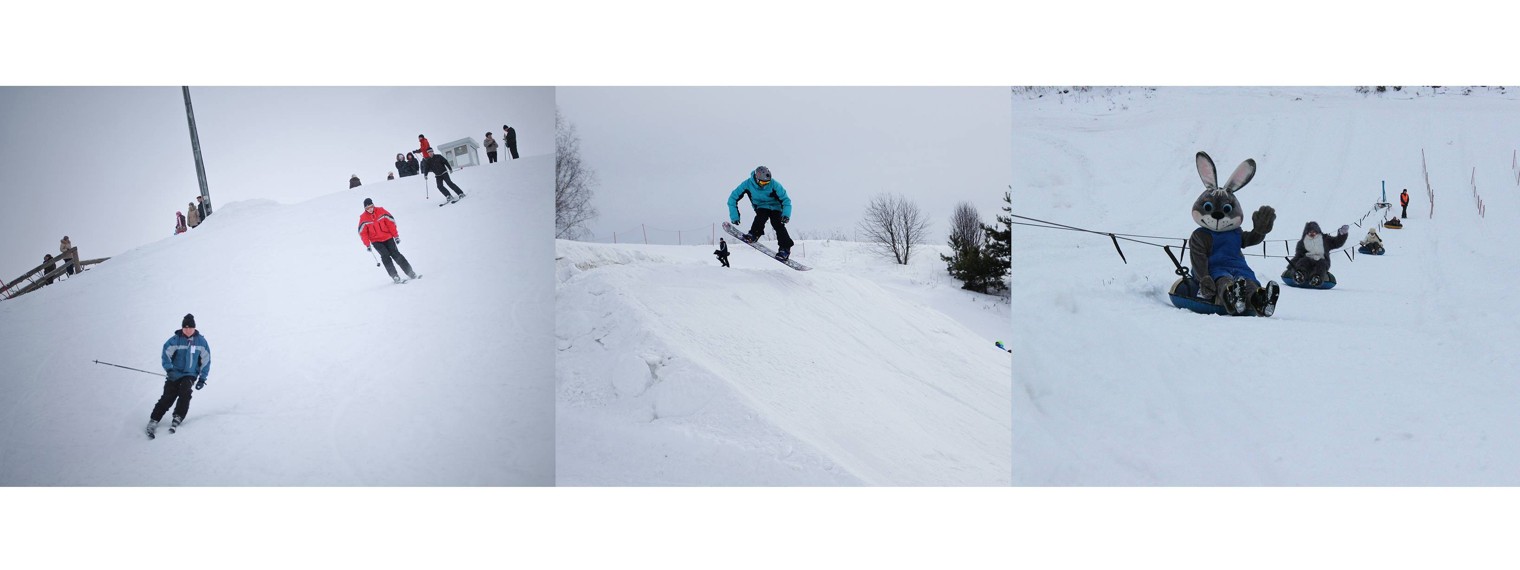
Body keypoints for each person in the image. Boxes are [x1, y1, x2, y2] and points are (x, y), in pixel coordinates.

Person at [146, 313, 211, 438]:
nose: (187, 330)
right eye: (185, 328)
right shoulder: (175, 339)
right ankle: (154, 419)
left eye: (190, 328)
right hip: (175, 373)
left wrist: (202, 379)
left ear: (194, 328)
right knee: (168, 396)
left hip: (190, 374)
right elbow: (166, 354)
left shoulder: (201, 342)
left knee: (185, 391)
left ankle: (178, 416)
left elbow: (206, 360)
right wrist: (169, 370)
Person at [727, 165, 794, 260]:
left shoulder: (775, 184)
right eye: (762, 182)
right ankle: (754, 234)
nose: (765, 184)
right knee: (761, 216)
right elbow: (732, 198)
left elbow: (786, 201)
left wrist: (786, 215)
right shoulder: (747, 184)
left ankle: (785, 249)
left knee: (777, 224)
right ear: (757, 178)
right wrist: (734, 216)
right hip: (761, 206)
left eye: (767, 182)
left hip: (776, 207)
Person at [358, 198, 420, 284]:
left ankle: (410, 272)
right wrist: (367, 244)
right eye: (367, 208)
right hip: (376, 241)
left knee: (396, 254)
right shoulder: (363, 218)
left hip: (388, 237)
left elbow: (391, 223)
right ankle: (395, 276)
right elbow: (363, 233)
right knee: (385, 256)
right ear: (365, 208)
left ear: (373, 205)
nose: (370, 209)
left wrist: (396, 236)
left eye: (371, 206)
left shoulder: (381, 211)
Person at [1288, 221, 1349, 286]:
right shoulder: (1302, 243)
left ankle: (1316, 278)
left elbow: (1337, 243)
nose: (1312, 234)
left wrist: (1342, 234)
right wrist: (1291, 266)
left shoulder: (1325, 240)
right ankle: (1300, 275)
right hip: (1307, 261)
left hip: (1322, 260)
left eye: (1314, 232)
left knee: (1321, 264)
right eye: (1310, 232)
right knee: (1303, 261)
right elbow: (1298, 255)